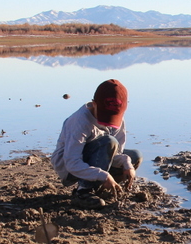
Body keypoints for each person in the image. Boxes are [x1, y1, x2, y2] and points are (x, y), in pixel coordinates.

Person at [51, 79, 142, 209]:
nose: (107, 123)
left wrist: (127, 164)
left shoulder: (119, 118)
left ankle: (103, 187)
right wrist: (103, 175)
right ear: (94, 104)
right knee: (109, 141)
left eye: (112, 117)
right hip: (68, 166)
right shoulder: (80, 122)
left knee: (135, 156)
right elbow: (71, 162)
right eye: (105, 116)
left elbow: (116, 154)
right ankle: (83, 191)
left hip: (98, 156)